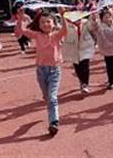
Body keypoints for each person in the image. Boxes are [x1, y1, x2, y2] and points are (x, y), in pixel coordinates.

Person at [16, 8, 67, 136]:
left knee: (52, 97)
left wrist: (62, 15)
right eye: (42, 22)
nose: (45, 24)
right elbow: (21, 31)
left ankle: (53, 122)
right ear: (39, 25)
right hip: (41, 70)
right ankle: (47, 98)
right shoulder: (37, 35)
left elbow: (65, 30)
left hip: (54, 71)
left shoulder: (56, 35)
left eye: (48, 22)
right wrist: (21, 18)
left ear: (54, 23)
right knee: (47, 96)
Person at [63, 14, 96, 95]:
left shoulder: (86, 22)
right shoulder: (68, 25)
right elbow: (62, 30)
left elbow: (92, 29)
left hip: (85, 47)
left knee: (85, 66)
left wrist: (94, 20)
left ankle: (85, 84)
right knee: (77, 67)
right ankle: (82, 81)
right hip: (74, 49)